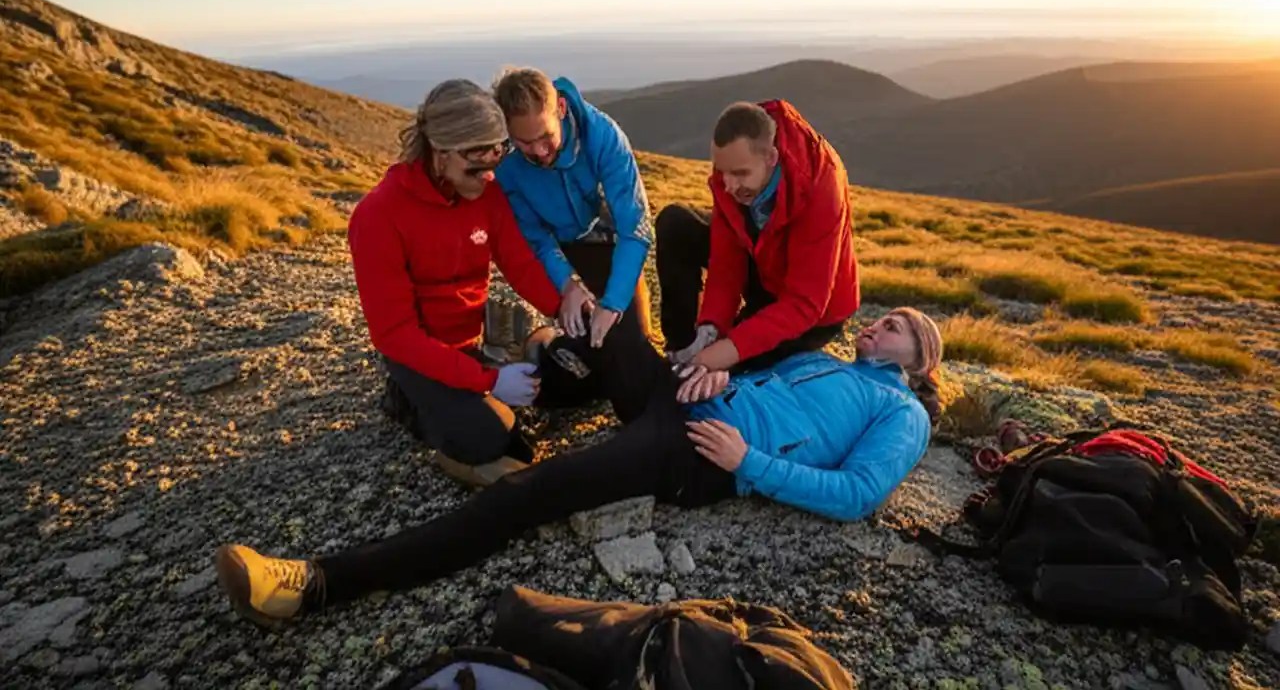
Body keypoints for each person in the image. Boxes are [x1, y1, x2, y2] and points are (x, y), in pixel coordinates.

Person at [211, 306, 944, 629]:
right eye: (885, 319)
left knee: (541, 489)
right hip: (686, 402)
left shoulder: (903, 415)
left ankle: (314, 584)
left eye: (902, 327)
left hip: (699, 455)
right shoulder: (823, 359)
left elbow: (857, 495)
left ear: (921, 359)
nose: (882, 323)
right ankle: (517, 382)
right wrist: (717, 374)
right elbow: (750, 378)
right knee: (608, 318)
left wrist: (750, 462)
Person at [346, 78, 606, 489]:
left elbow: (519, 263)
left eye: (496, 158)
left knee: (582, 377)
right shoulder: (378, 216)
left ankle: (517, 352)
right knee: (495, 438)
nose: (488, 176)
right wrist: (488, 382)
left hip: (477, 328)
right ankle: (408, 400)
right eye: (476, 165)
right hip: (422, 350)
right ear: (441, 151)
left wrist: (565, 302)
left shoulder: (486, 193)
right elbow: (394, 335)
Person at [657, 99, 860, 373]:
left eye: (739, 174)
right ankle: (680, 349)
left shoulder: (819, 184)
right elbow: (726, 262)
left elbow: (804, 304)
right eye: (722, 172)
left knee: (729, 373)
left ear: (771, 158)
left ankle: (697, 365)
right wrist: (711, 327)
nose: (728, 186)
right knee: (676, 223)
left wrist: (723, 352)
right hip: (764, 269)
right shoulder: (732, 174)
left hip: (815, 310)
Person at [492, 67, 655, 348]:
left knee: (632, 341)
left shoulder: (603, 136)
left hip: (601, 233)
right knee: (574, 339)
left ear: (562, 109)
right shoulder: (505, 161)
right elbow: (534, 237)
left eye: (546, 136)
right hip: (552, 243)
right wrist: (568, 285)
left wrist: (614, 304)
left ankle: (644, 334)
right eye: (526, 143)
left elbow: (635, 228)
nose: (540, 152)